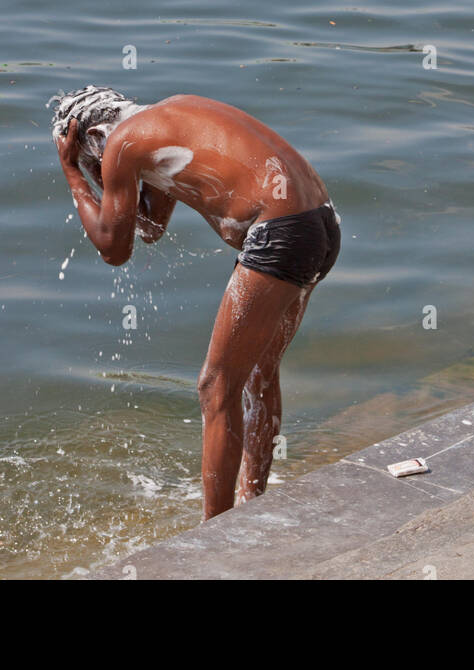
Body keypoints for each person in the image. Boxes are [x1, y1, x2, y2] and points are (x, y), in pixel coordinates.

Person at [50, 86, 340, 519]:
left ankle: (215, 536)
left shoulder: (123, 144)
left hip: (281, 232)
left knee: (215, 386)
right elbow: (149, 226)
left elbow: (115, 248)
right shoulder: (164, 120)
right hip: (320, 223)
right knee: (258, 373)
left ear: (94, 133)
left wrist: (72, 172)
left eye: (95, 159)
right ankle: (251, 502)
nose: (100, 171)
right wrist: (101, 172)